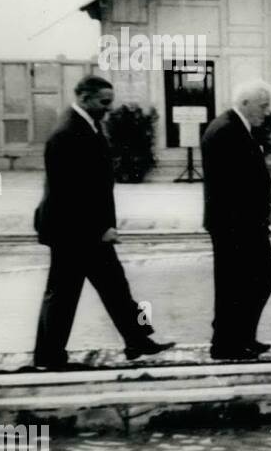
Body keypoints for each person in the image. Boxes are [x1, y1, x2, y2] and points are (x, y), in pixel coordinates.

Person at [32, 75, 175, 370]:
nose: (108, 108)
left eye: (110, 101)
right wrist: (100, 229)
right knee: (63, 294)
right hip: (72, 231)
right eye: (103, 102)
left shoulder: (86, 126)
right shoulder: (68, 132)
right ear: (84, 97)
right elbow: (68, 192)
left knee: (115, 288)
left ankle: (139, 340)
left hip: (85, 230)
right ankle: (48, 357)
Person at [201, 80, 271, 359]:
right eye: (263, 105)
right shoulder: (226, 130)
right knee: (242, 282)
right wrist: (264, 211)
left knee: (249, 280)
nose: (267, 112)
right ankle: (225, 344)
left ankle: (242, 336)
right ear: (245, 103)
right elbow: (235, 186)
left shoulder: (237, 127)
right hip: (235, 223)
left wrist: (266, 206)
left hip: (242, 221)